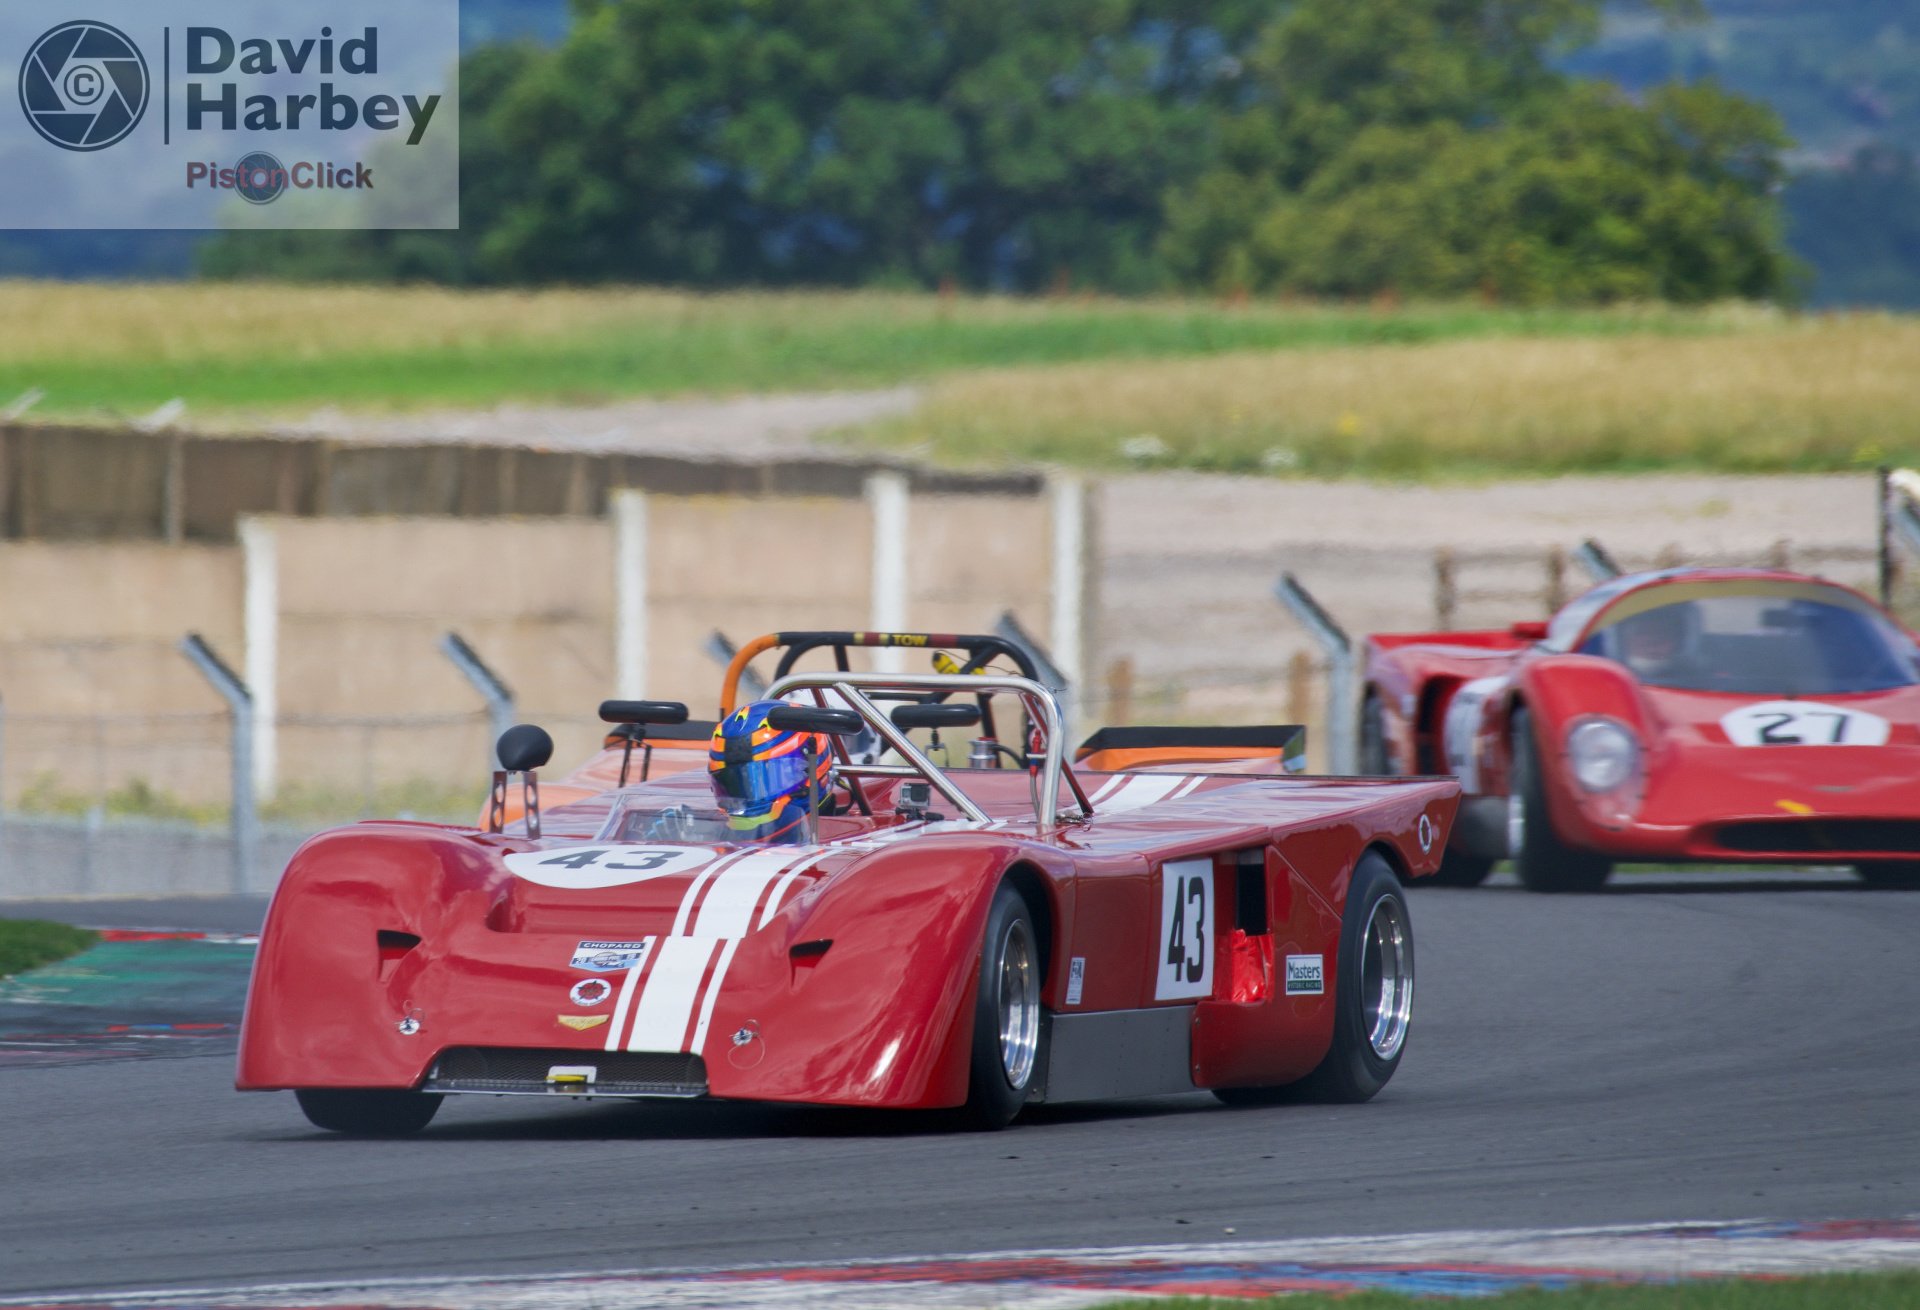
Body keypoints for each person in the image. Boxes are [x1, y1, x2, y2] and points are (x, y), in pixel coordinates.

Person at [707, 700, 833, 844]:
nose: (747, 801)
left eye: (767, 779)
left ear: (813, 768)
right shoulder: (717, 836)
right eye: (731, 784)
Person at [1615, 603, 1699, 682]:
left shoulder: (1697, 680)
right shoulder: (1610, 678)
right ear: (1623, 639)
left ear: (1678, 642)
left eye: (1661, 634)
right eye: (1642, 632)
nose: (1651, 642)